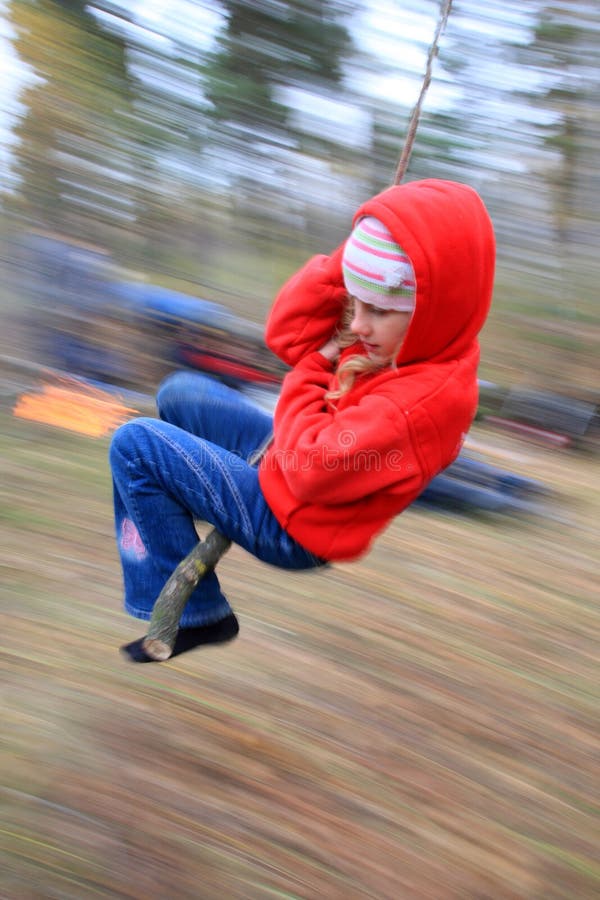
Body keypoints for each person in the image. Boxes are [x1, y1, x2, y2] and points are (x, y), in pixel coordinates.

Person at [110, 178, 495, 662]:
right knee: (181, 392)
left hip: (295, 521)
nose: (358, 324)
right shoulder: (413, 336)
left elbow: (312, 467)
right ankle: (194, 497)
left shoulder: (416, 403)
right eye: (355, 302)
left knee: (135, 445)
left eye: (378, 310)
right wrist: (354, 259)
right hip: (291, 464)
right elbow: (287, 335)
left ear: (435, 306)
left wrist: (313, 369)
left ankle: (198, 616)